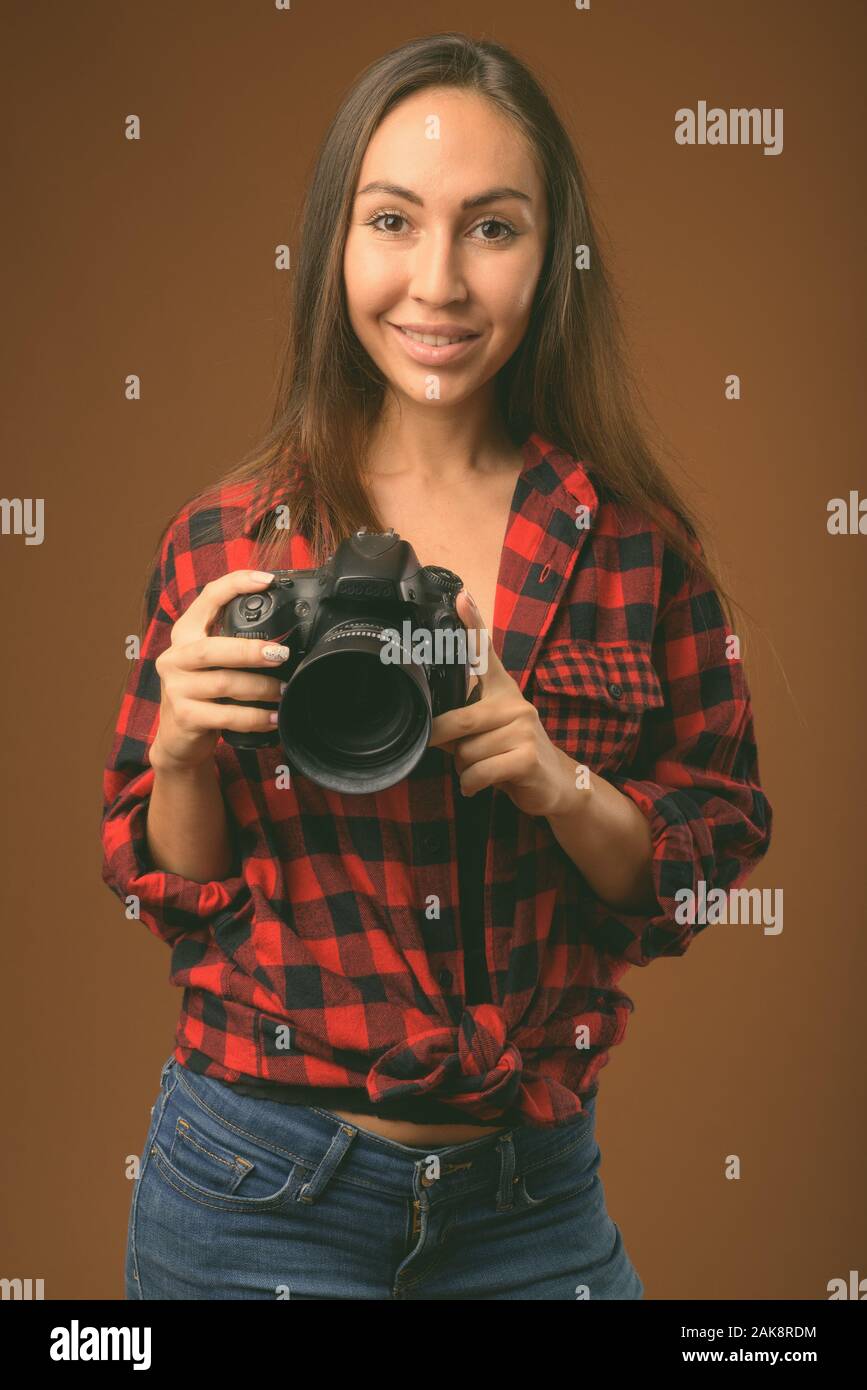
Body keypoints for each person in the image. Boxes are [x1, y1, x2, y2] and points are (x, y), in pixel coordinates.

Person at [102, 32, 772, 1301]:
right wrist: (184, 750)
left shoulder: (633, 549)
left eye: (494, 229)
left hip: (533, 1204)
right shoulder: (228, 541)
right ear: (335, 246)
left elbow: (709, 853)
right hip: (255, 1191)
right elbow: (177, 899)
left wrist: (559, 781)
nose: (439, 282)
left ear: (552, 255)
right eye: (395, 221)